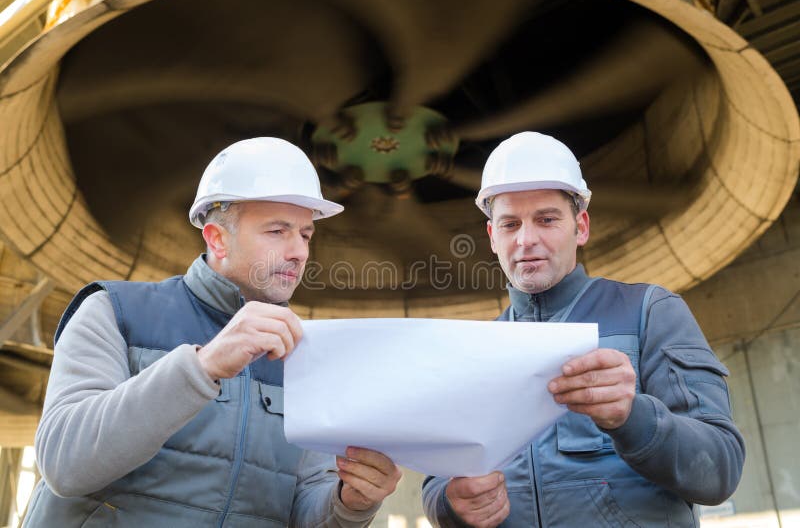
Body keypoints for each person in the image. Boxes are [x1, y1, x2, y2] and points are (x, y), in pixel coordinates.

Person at [26, 137, 402, 527]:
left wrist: (350, 503)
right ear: (217, 239)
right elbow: (64, 464)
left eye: (306, 234)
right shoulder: (114, 312)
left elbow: (302, 507)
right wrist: (202, 367)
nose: (300, 252)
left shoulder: (305, 356)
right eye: (278, 231)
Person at [422, 132, 745, 527]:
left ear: (582, 226)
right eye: (509, 224)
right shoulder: (479, 348)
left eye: (546, 219)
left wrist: (633, 417)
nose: (526, 239)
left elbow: (720, 470)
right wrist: (451, 505)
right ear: (492, 238)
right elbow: (437, 481)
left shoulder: (649, 312)